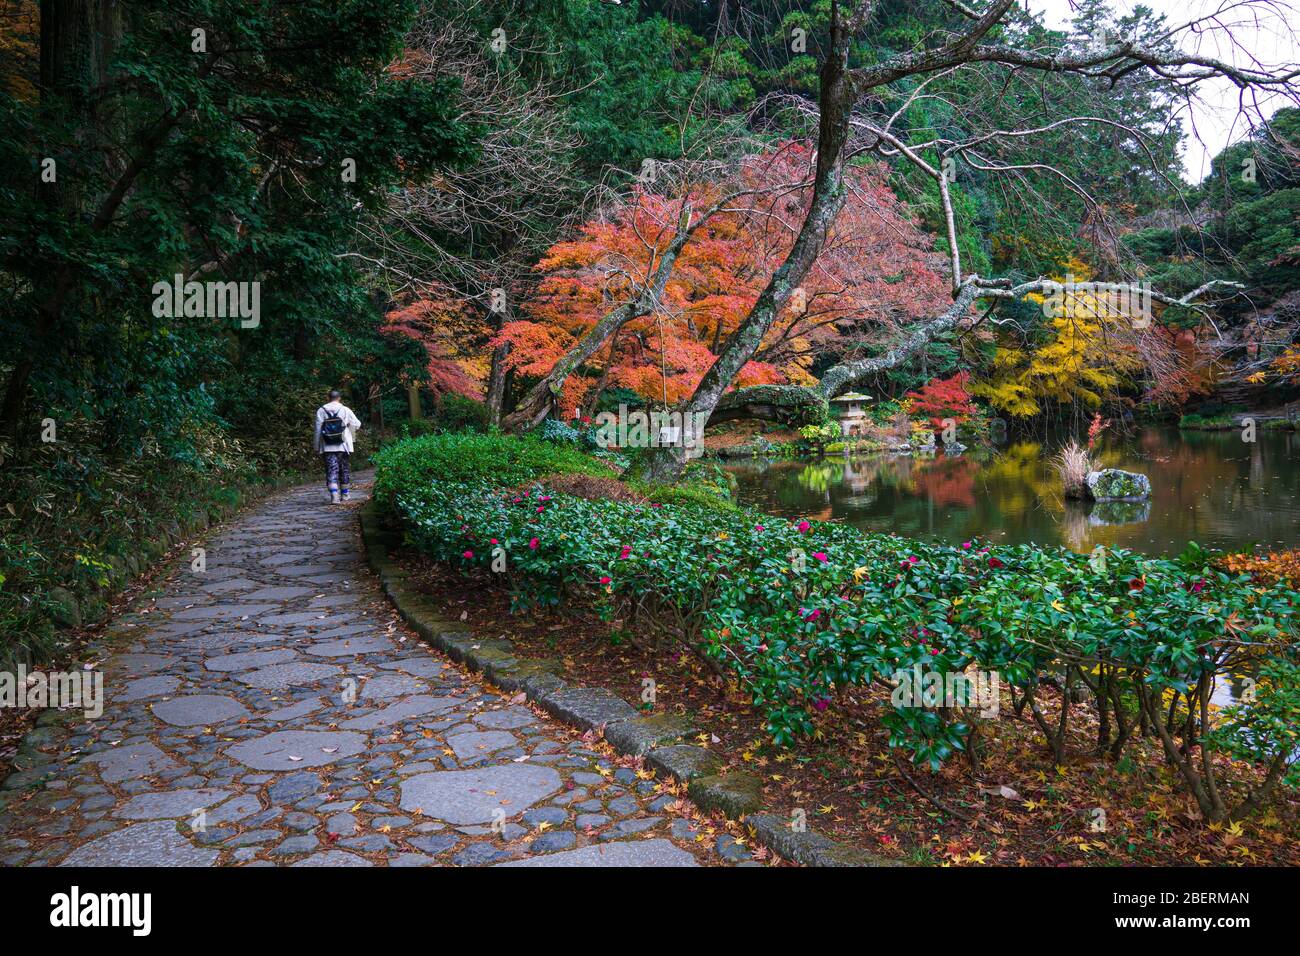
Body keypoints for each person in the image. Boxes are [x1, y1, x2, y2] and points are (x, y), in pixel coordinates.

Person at [314, 389, 361, 503]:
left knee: (331, 469)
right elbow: (357, 424)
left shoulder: (321, 410)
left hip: (327, 446)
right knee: (344, 469)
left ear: (327, 397)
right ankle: (345, 495)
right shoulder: (345, 409)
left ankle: (334, 495)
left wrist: (316, 446)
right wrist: (350, 432)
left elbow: (317, 430)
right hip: (343, 446)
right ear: (339, 398)